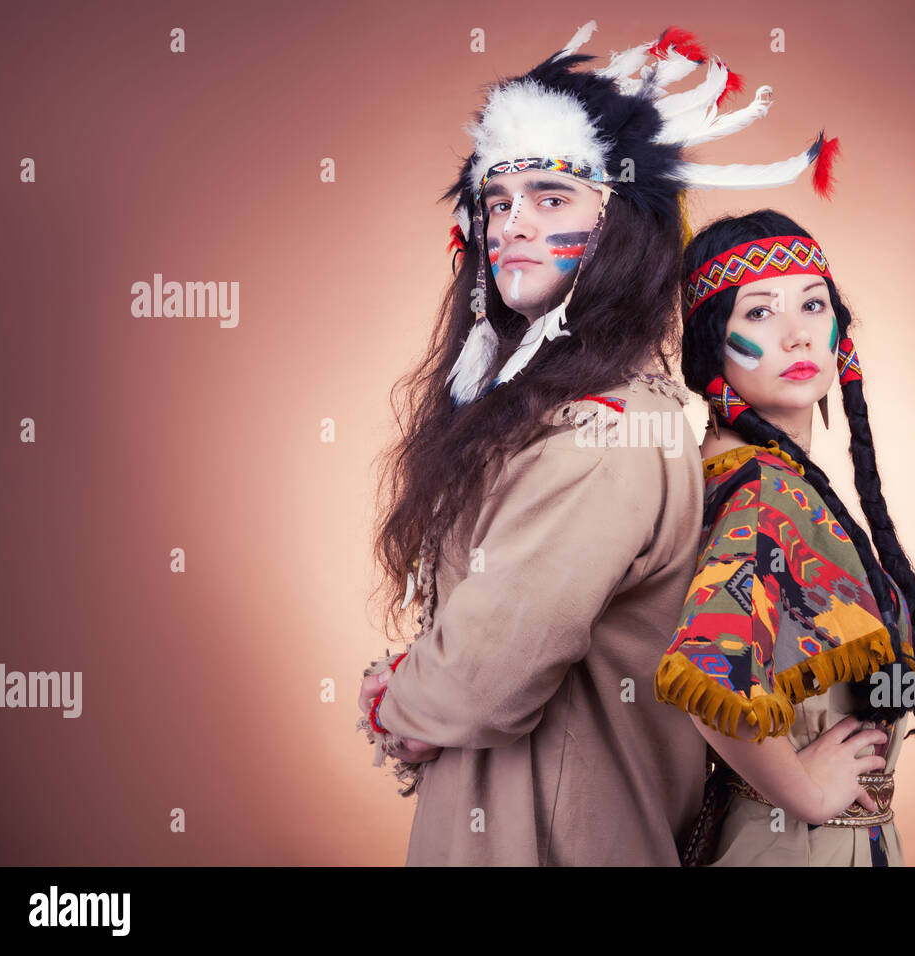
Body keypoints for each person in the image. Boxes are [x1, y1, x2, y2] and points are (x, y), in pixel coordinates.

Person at [355, 23, 842, 865]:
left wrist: (399, 704)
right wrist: (419, 690)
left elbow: (485, 676)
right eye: (497, 201)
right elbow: (493, 625)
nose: (513, 224)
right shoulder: (558, 409)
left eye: (552, 197)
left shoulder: (605, 431)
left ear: (618, 226)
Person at [655, 210, 915, 866]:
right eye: (758, 313)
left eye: (813, 305)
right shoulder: (760, 490)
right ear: (711, 348)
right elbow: (712, 670)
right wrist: (809, 792)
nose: (796, 335)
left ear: (839, 333)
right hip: (795, 844)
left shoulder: (766, 477)